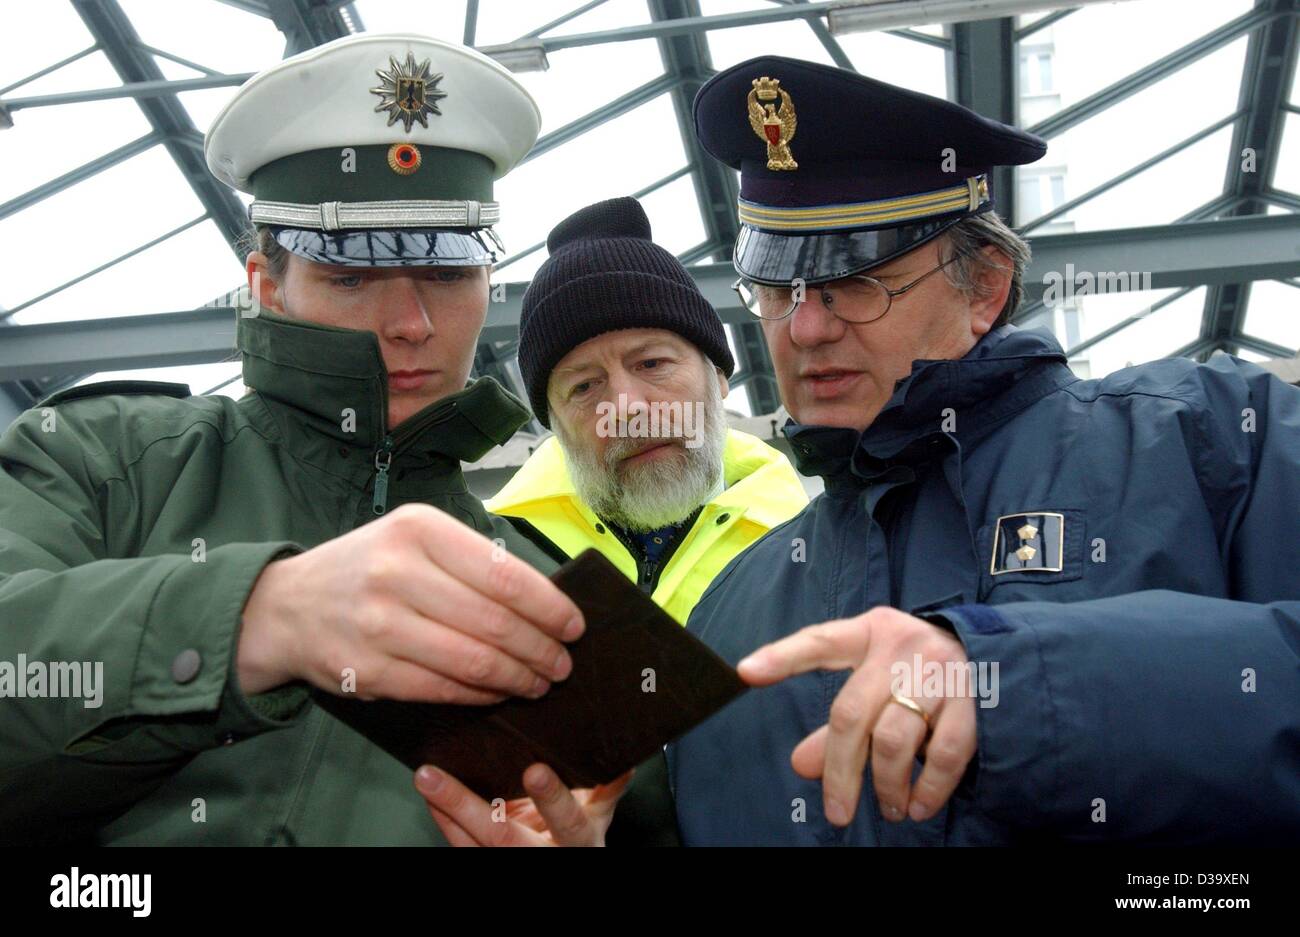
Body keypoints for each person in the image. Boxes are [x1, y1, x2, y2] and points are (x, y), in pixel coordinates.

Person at [418, 55, 1300, 847]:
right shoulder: (730, 618)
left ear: (984, 287)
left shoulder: (1211, 440)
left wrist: (1004, 678)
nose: (803, 328)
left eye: (855, 284)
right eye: (778, 287)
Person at [0, 33, 586, 846]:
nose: (411, 325)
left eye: (449, 275)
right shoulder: (104, 463)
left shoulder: (549, 595)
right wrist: (254, 618)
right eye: (350, 275)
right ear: (264, 285)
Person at [488, 196, 808, 624]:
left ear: (718, 376)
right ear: (556, 425)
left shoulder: (810, 553)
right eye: (584, 386)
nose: (628, 408)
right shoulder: (492, 561)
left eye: (652, 364)